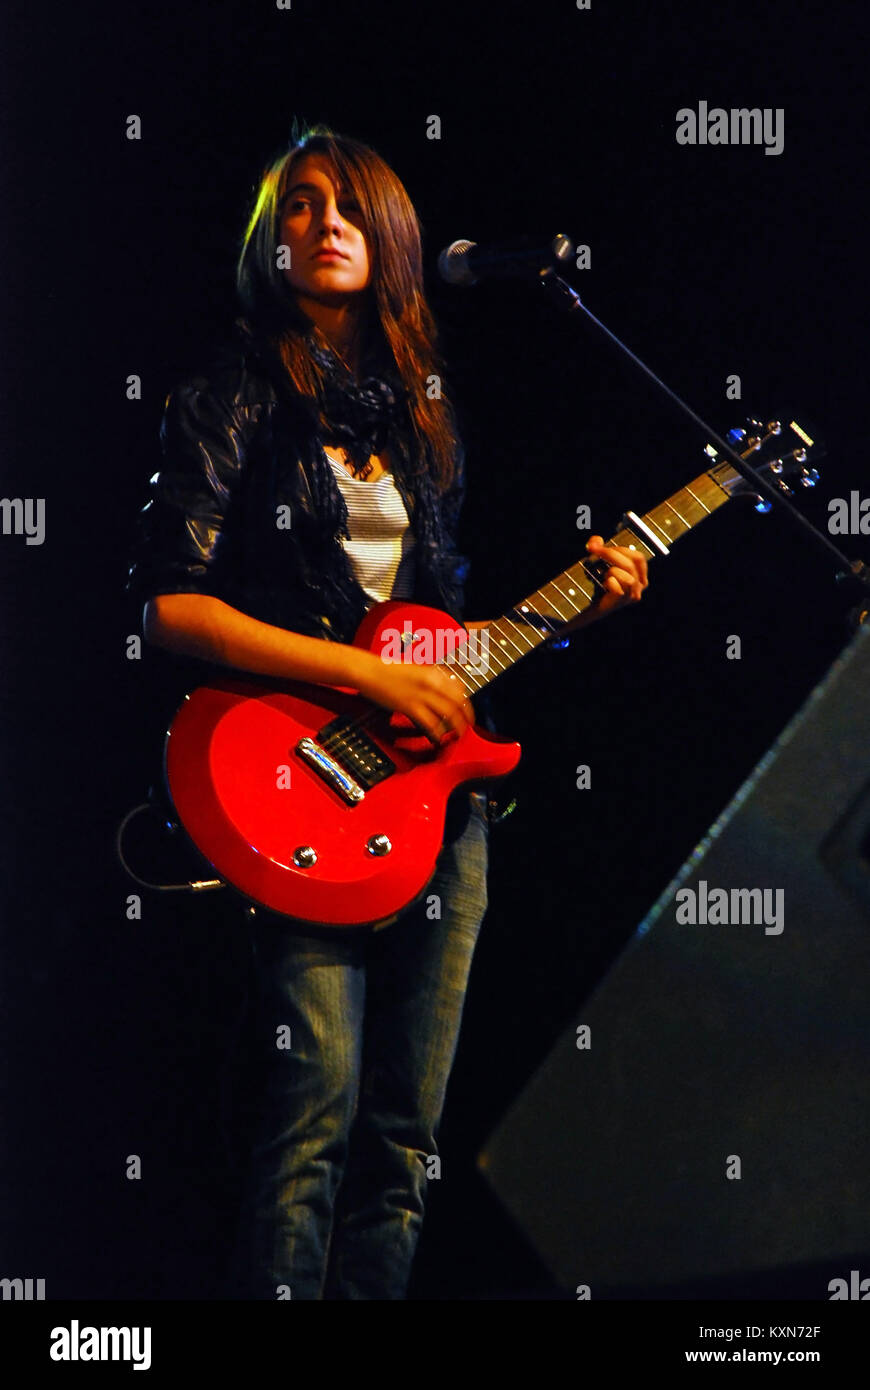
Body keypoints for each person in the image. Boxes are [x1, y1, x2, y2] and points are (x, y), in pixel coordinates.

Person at [125, 124, 648, 1300]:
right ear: (271, 240)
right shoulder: (226, 395)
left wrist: (578, 609)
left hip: (427, 799)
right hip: (295, 777)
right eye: (298, 205)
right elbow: (168, 608)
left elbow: (438, 642)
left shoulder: (423, 413)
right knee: (310, 1107)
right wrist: (360, 678)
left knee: (406, 1136)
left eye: (348, 205)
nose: (323, 224)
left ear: (394, 237)